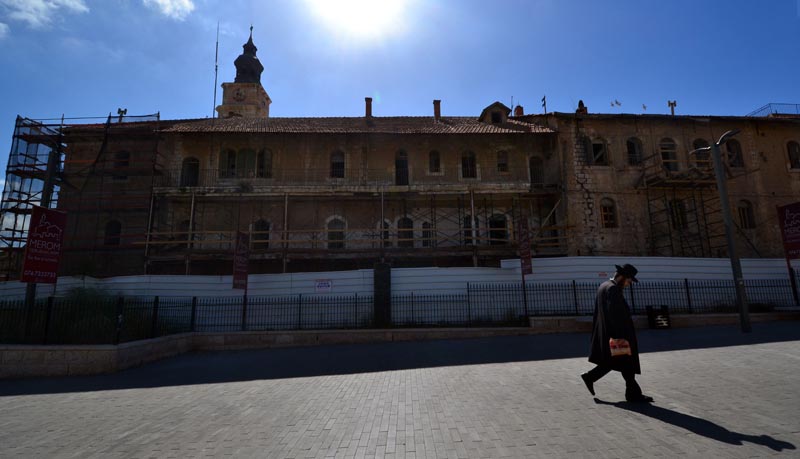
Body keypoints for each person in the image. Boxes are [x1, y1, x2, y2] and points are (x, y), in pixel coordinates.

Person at [580, 263, 653, 403]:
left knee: (621, 363)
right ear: (622, 276)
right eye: (629, 280)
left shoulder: (604, 285)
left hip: (611, 333)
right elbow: (615, 314)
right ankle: (632, 394)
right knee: (624, 362)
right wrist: (621, 337)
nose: (630, 283)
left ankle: (632, 393)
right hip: (619, 334)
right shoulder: (613, 289)